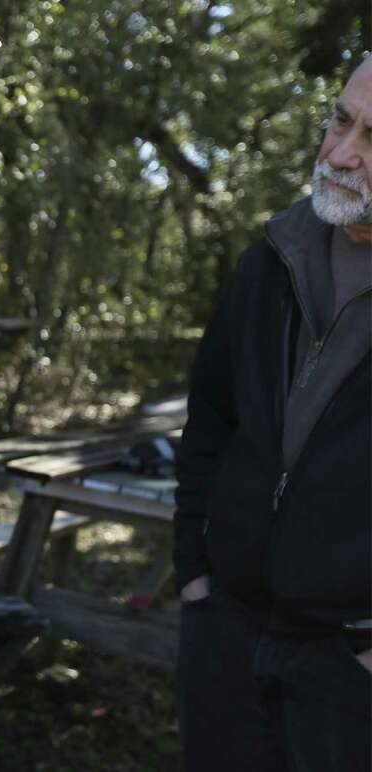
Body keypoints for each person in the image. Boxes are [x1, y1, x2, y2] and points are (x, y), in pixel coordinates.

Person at [174, 55, 371, 772]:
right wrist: (194, 573)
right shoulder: (274, 254)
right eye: (341, 120)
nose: (342, 153)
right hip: (228, 631)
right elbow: (210, 419)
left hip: (350, 668)